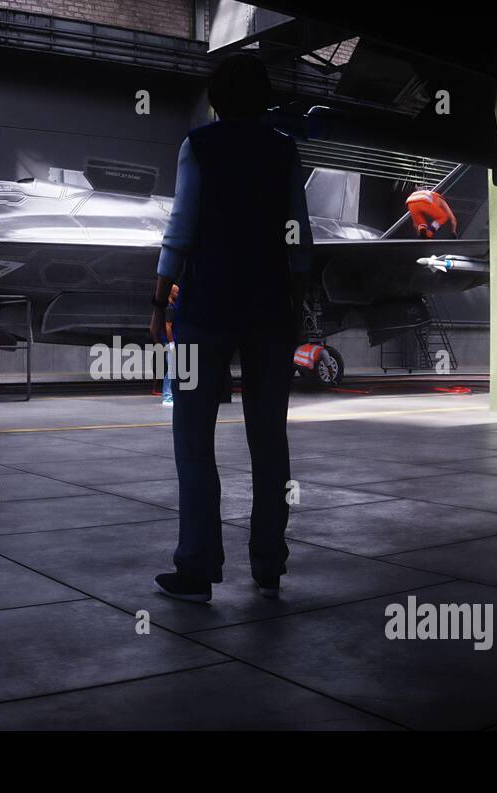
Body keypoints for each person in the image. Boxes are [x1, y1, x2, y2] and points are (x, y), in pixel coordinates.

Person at [150, 53, 312, 603]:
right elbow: (297, 231)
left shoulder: (199, 146)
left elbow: (181, 225)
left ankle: (198, 567)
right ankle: (269, 563)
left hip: (205, 308)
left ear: (216, 101)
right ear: (264, 100)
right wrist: (297, 301)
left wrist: (157, 297)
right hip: (269, 309)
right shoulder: (284, 150)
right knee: (269, 439)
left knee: (194, 439)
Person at [161, 283, 179, 407]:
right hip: (170, 342)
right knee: (171, 370)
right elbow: (168, 327)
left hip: (172, 342)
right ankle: (167, 396)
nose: (178, 294)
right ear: (171, 293)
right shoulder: (170, 308)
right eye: (176, 292)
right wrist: (171, 342)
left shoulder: (172, 306)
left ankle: (170, 395)